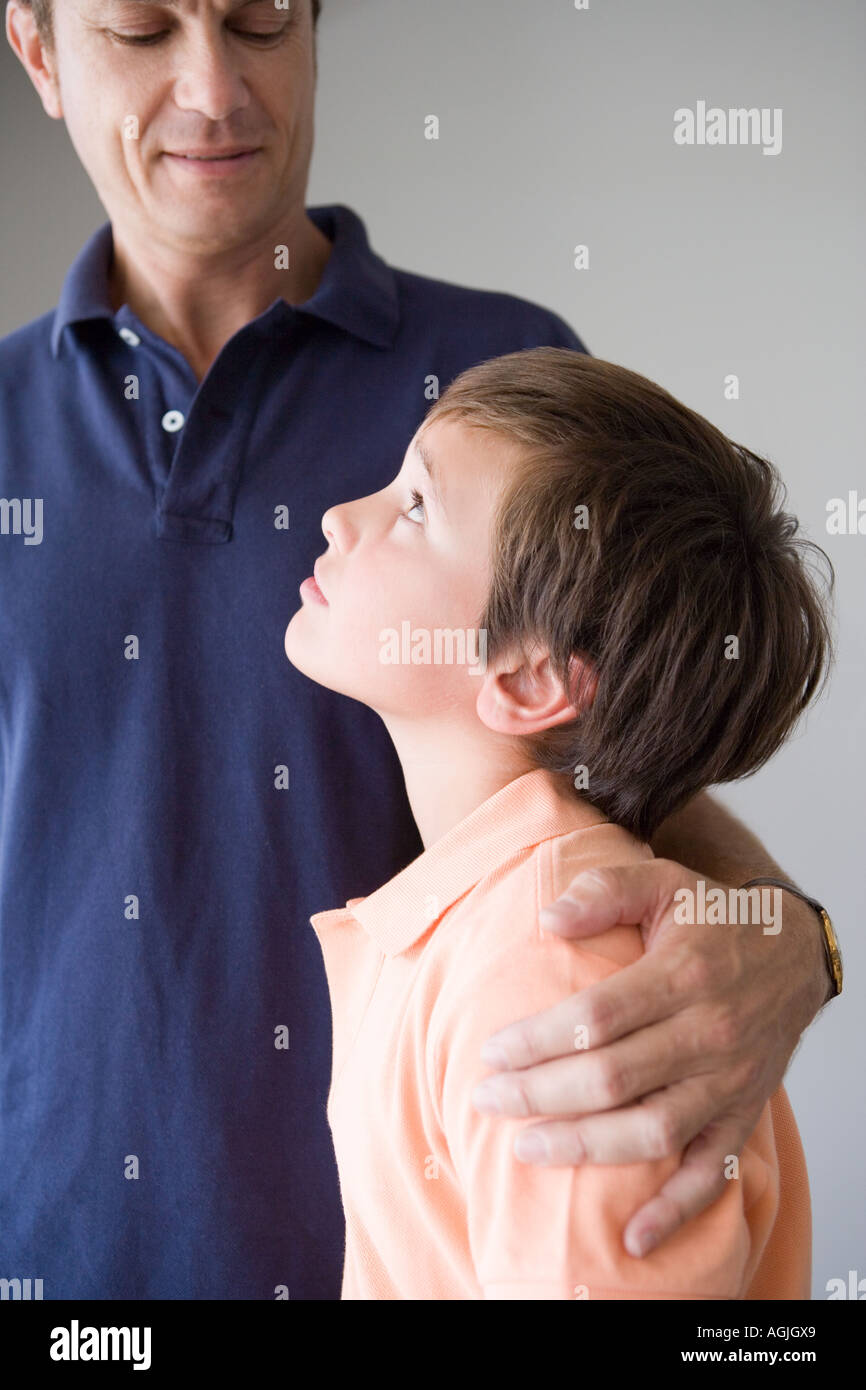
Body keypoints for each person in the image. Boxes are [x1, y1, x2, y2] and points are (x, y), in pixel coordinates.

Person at [0, 0, 839, 1299]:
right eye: (143, 29)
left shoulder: (499, 382)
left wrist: (792, 934)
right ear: (41, 52)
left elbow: (608, 759)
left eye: (261, 22)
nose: (215, 89)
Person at [288, 347, 831, 1299]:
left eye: (415, 507)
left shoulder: (548, 971)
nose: (341, 515)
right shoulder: (486, 928)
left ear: (531, 676)